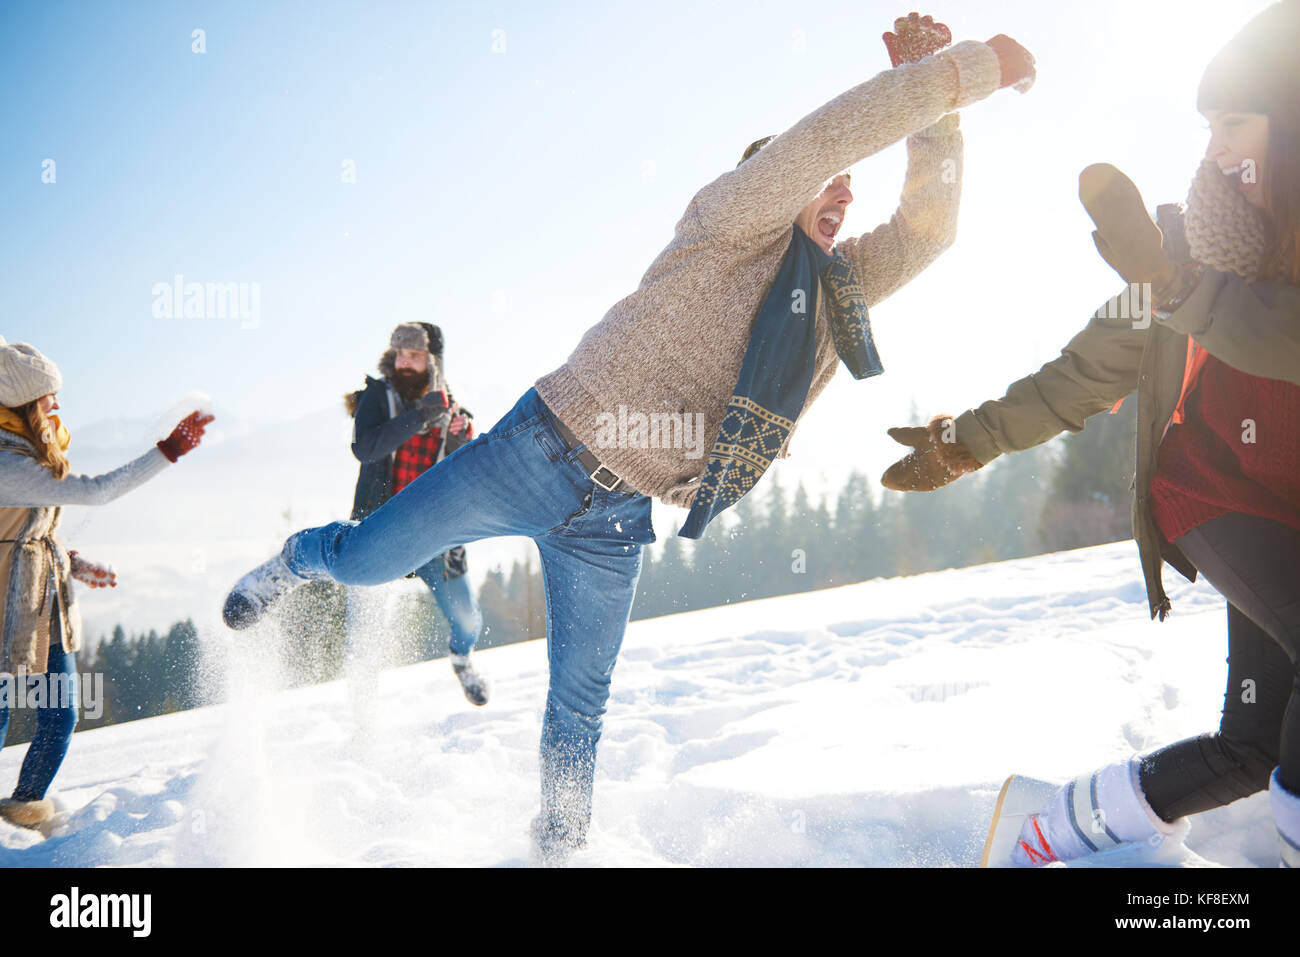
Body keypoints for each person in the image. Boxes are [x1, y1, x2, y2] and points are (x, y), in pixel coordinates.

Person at [223, 13, 1036, 861]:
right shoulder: (728, 219)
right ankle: (296, 557)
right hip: (534, 451)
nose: (844, 191)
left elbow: (930, 229)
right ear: (772, 180)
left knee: (581, 701)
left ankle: (558, 846)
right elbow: (834, 130)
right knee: (363, 564)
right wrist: (963, 70)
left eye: (848, 186)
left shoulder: (836, 292)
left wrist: (942, 117)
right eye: (826, 180)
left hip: (614, 523)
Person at [882, 1, 1300, 868]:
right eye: (1208, 125)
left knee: (1256, 745)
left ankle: (1055, 828)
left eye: (1236, 122)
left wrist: (1187, 289)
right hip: (1216, 494)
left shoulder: (1191, 270)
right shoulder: (1181, 247)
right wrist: (969, 440)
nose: (1216, 147)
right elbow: (1083, 373)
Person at [0, 337, 211, 829]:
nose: (58, 403)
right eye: (49, 395)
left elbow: (26, 529)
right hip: (6, 609)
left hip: (42, 602)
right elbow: (96, 492)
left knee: (62, 715)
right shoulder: (7, 462)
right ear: (24, 402)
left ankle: (24, 809)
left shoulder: (29, 453)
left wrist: (73, 562)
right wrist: (168, 451)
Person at [343, 322, 487, 711]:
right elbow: (366, 448)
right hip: (379, 530)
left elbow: (461, 466)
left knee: (468, 621)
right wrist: (421, 415)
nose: (405, 363)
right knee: (365, 633)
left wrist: (459, 436)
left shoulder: (450, 408)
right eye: (400, 354)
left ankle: (461, 659)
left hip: (434, 537)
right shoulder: (378, 397)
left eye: (415, 356)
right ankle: (362, 714)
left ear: (432, 361)